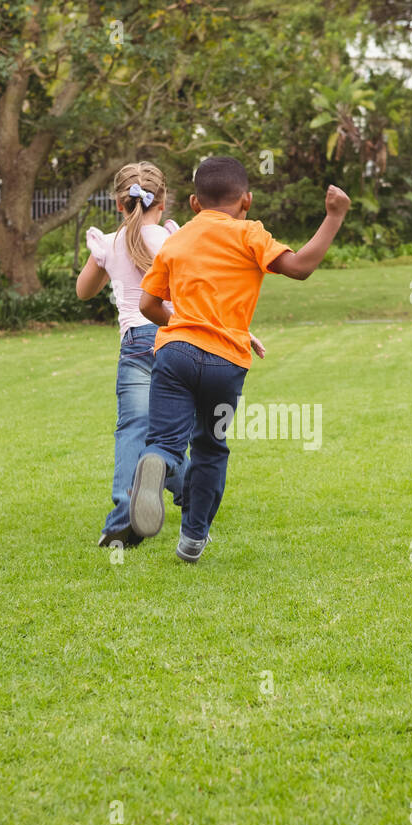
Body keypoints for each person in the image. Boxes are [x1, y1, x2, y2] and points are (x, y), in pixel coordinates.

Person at [129, 156, 349, 561]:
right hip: (225, 363)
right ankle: (193, 539)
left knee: (164, 441)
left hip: (175, 353)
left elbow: (147, 304)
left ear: (194, 203)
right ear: (246, 200)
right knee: (211, 448)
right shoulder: (251, 234)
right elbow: (300, 267)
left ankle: (156, 461)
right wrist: (333, 217)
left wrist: (183, 321)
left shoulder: (176, 240)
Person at [75, 161, 264, 548]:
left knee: (135, 431)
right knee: (174, 437)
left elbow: (83, 292)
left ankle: (122, 520)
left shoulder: (108, 243)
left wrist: (104, 257)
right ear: (165, 201)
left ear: (118, 203)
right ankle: (192, 501)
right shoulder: (175, 239)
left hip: (135, 343)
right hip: (181, 339)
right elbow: (200, 295)